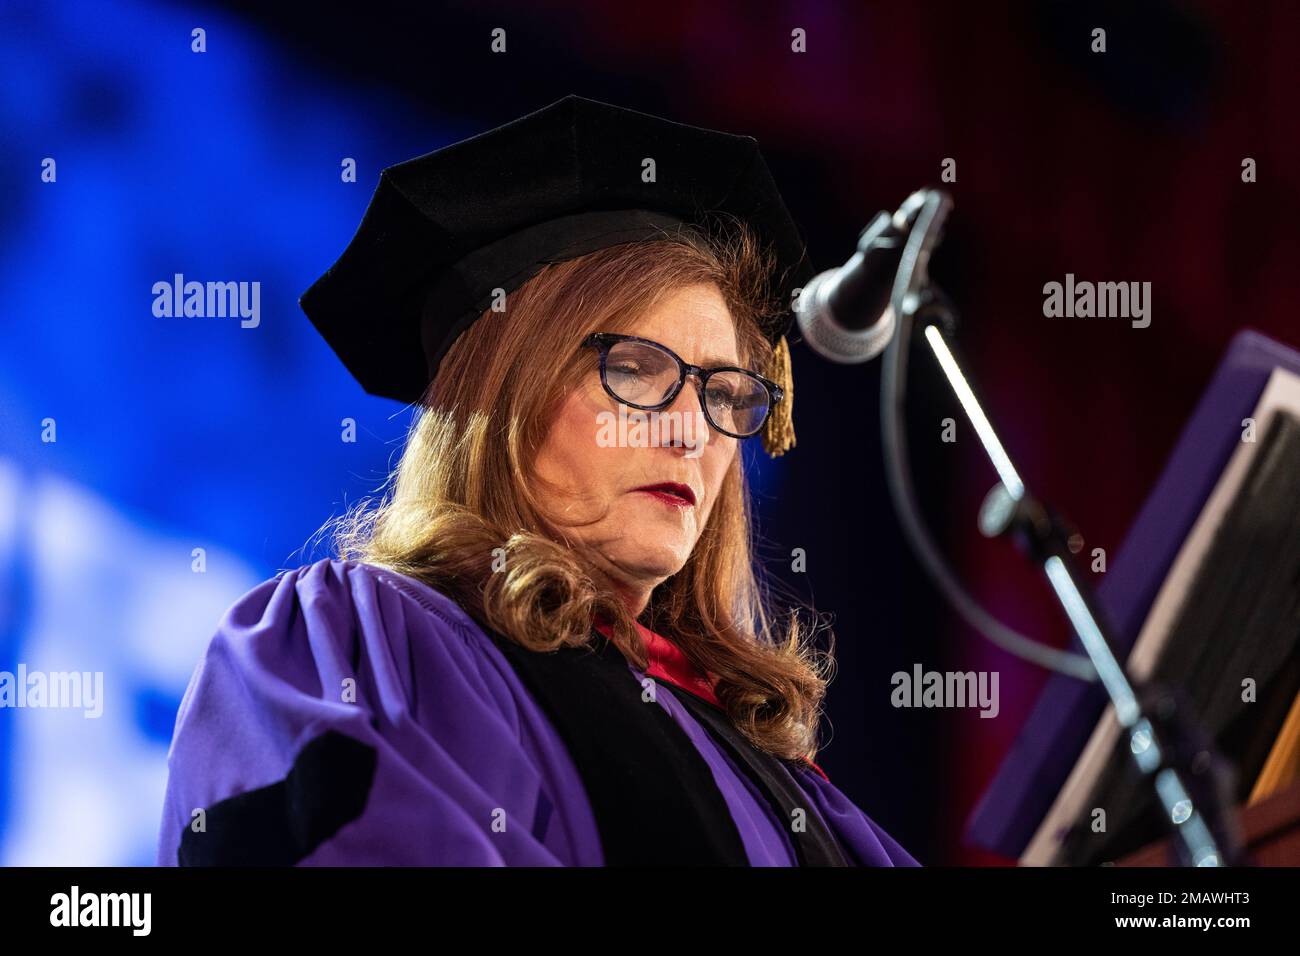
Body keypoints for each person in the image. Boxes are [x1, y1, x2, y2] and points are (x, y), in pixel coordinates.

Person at [156, 94, 918, 867]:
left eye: (722, 394)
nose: (693, 431)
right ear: (505, 390)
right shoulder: (363, 644)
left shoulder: (775, 774)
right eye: (634, 370)